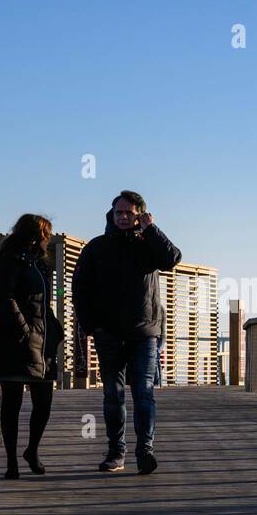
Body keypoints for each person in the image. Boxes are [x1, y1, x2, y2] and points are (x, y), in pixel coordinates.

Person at [73, 191, 182, 474]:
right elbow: (80, 288)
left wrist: (152, 229)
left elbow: (172, 259)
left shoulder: (148, 245)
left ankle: (145, 451)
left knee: (144, 393)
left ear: (140, 216)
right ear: (112, 214)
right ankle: (116, 452)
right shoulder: (96, 247)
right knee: (113, 394)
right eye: (118, 213)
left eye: (128, 213)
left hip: (144, 331)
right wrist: (91, 324)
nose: (122, 217)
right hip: (108, 333)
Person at [0, 213, 62, 479]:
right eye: (46, 234)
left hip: (42, 343)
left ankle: (32, 450)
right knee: (12, 403)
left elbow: (45, 303)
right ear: (36, 235)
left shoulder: (39, 264)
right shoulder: (9, 260)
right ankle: (11, 462)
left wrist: (54, 329)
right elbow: (3, 298)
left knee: (44, 403)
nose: (49, 239)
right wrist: (24, 330)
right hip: (14, 342)